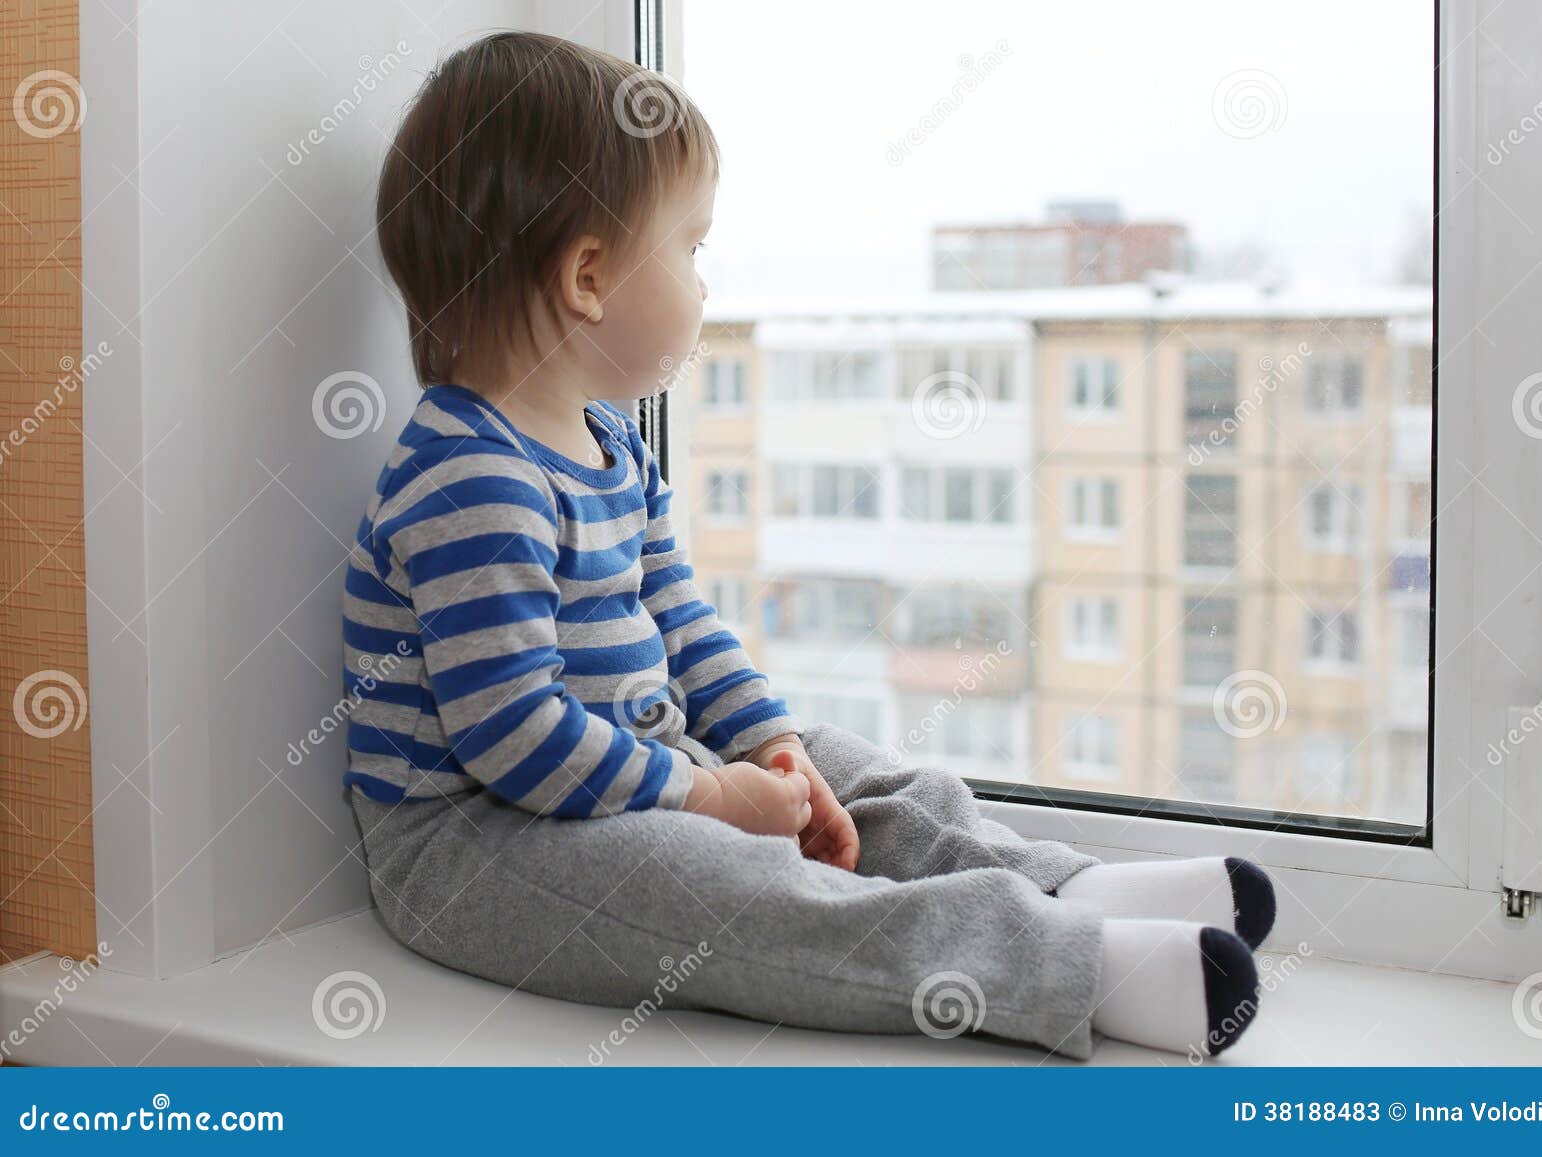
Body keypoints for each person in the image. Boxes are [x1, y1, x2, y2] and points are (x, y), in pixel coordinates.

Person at [340, 30, 1273, 1060]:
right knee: (734, 891)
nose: (704, 283)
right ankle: (1072, 965)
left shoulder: (606, 442)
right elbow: (512, 733)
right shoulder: (468, 475)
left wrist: (761, 745)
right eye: (690, 249)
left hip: (636, 765)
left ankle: (1067, 884)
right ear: (589, 277)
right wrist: (706, 795)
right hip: (479, 842)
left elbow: (680, 621)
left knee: (849, 767)